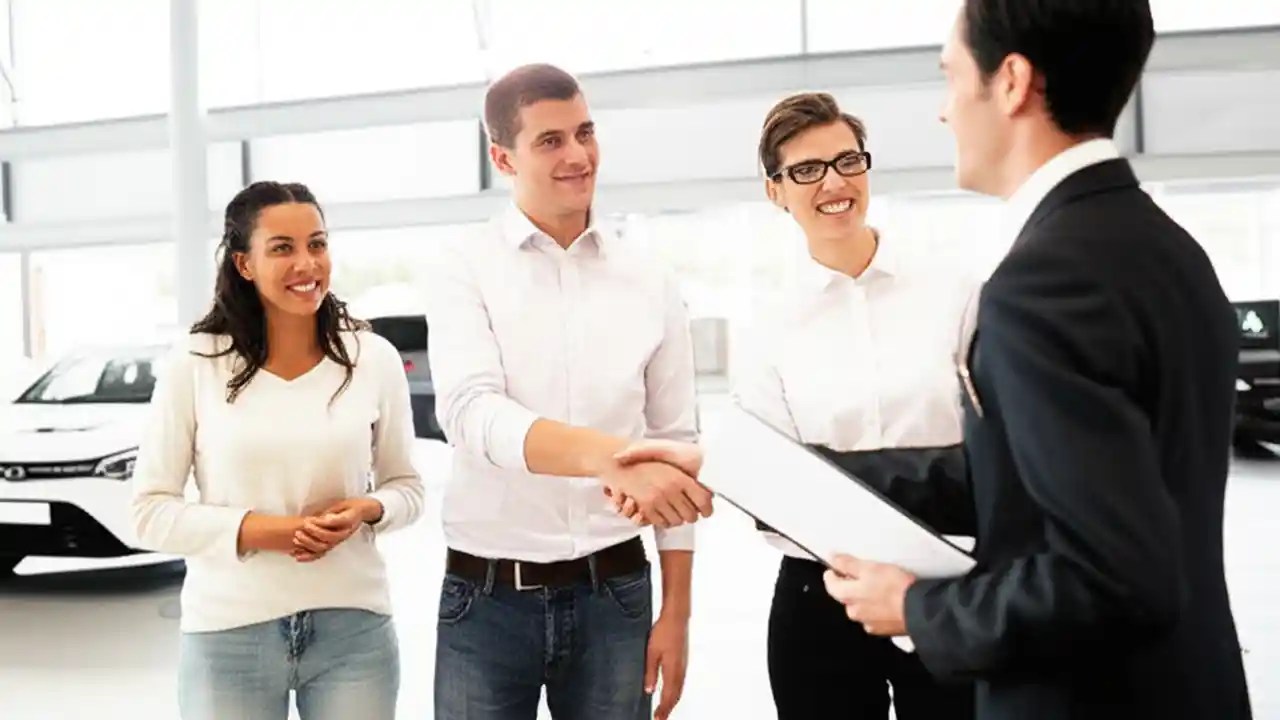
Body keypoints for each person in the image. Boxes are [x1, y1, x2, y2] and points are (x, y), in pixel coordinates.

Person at [619, 1, 1253, 718]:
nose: (944, 113)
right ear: (776, 191)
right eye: (806, 171)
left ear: (1010, 82)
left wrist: (921, 608)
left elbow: (1112, 573)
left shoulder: (1041, 283)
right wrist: (725, 464)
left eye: (950, 77)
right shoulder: (1165, 249)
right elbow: (1000, 476)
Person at [423, 63, 713, 720]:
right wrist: (604, 456)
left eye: (585, 132)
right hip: (485, 601)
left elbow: (675, 441)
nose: (578, 155)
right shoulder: (462, 266)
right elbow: (471, 413)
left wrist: (678, 613)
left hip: (617, 595)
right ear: (503, 157)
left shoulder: (650, 278)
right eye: (550, 140)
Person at [131, 181, 425, 720]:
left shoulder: (373, 358)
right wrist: (270, 531)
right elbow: (149, 511)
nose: (306, 263)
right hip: (229, 633)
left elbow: (407, 488)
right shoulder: (195, 362)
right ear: (244, 264)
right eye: (282, 248)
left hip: (353, 630)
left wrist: (368, 509)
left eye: (317, 243)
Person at [734, 91, 976, 719]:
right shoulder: (768, 325)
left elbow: (991, 448)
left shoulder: (954, 293)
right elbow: (768, 484)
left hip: (949, 587)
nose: (833, 183)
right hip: (820, 597)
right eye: (806, 170)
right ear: (776, 191)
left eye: (847, 162)